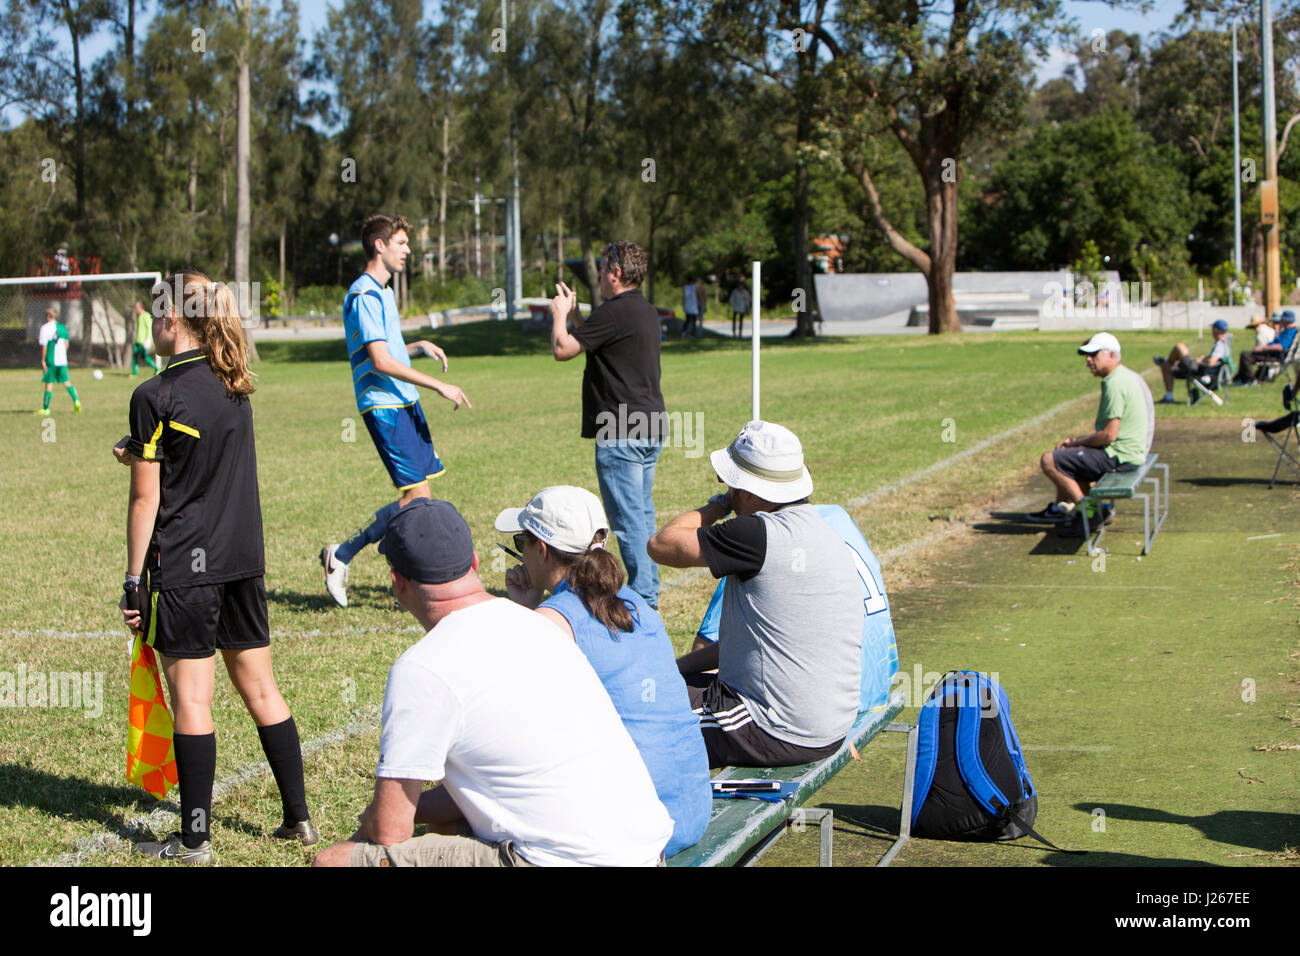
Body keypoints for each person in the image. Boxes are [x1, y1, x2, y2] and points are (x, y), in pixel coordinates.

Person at [312, 498, 673, 867]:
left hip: (565, 860)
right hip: (647, 852)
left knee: (333, 862)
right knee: (451, 824)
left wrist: (373, 817)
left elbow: (390, 831)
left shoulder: (421, 668)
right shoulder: (542, 623)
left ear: (397, 583)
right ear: (474, 564)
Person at [115, 270, 315, 864]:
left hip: (184, 567)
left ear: (173, 319)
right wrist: (139, 449)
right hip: (242, 564)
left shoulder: (154, 394)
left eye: (154, 314)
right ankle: (298, 819)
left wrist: (132, 579)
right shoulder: (234, 383)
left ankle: (195, 838)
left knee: (193, 700)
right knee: (262, 689)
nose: (151, 325)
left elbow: (146, 499)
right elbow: (196, 454)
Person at [495, 485, 710, 857]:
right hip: (689, 809)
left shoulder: (553, 623)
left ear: (542, 550)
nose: (520, 551)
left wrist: (529, 612)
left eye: (521, 541)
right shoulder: (638, 605)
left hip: (633, 831)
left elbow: (511, 726)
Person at [647, 420, 865, 768]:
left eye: (730, 483)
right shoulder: (821, 529)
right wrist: (679, 669)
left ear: (749, 492)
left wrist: (718, 506)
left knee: (634, 705)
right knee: (661, 683)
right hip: (825, 726)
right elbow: (755, 643)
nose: (724, 486)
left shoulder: (755, 533)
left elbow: (661, 545)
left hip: (775, 730)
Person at [320, 213, 472, 608]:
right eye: (402, 243)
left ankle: (407, 573)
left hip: (404, 401)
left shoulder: (383, 292)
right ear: (379, 245)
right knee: (415, 499)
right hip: (384, 406)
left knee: (420, 498)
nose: (408, 251)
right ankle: (343, 554)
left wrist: (418, 345)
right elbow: (380, 360)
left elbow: (389, 346)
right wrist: (439, 384)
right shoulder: (365, 295)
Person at [548, 240, 666, 609]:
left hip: (621, 432)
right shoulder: (643, 310)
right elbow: (600, 340)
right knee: (642, 514)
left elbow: (563, 349)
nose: (598, 275)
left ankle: (644, 598)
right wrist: (580, 315)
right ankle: (649, 587)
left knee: (629, 521)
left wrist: (558, 314)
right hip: (649, 426)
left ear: (615, 273)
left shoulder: (614, 311)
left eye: (601, 269)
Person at [1027, 332, 1154, 536]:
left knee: (1049, 460)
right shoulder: (1121, 377)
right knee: (1074, 459)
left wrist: (1076, 442)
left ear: (1111, 355)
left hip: (1120, 457)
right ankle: (1089, 511)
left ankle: (1090, 513)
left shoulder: (1114, 383)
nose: (1088, 360)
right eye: (1087, 355)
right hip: (1128, 453)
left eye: (1094, 355)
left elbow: (1108, 436)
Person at [1152, 319, 1231, 404]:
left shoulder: (1220, 345)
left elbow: (1212, 362)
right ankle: (1169, 397)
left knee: (1180, 347)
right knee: (1166, 366)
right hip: (1202, 370)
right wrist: (1203, 359)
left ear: (1216, 330)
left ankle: (1167, 360)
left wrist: (1201, 360)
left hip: (1200, 371)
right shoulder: (1224, 344)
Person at [36, 305, 79, 414]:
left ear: (47, 316)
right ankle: (76, 401)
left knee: (49, 383)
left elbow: (44, 346)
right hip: (62, 360)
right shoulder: (62, 328)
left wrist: (43, 360)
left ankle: (46, 409)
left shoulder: (45, 328)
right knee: (67, 382)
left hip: (51, 360)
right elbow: (66, 344)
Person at [1235, 310, 1297, 385]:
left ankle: (1250, 380)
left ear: (1286, 320)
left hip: (1275, 356)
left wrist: (1263, 348)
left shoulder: (1289, 333)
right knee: (1247, 354)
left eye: (1281, 320)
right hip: (1271, 354)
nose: (1280, 322)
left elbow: (1280, 347)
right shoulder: (1285, 331)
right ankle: (1241, 378)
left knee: (1245, 355)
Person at [131, 301, 159, 376]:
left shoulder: (146, 316)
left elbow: (150, 328)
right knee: (134, 356)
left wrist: (147, 340)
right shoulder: (139, 317)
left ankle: (156, 368)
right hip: (138, 341)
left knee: (144, 357)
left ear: (141, 307)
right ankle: (134, 373)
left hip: (144, 341)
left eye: (137, 307)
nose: (136, 309)